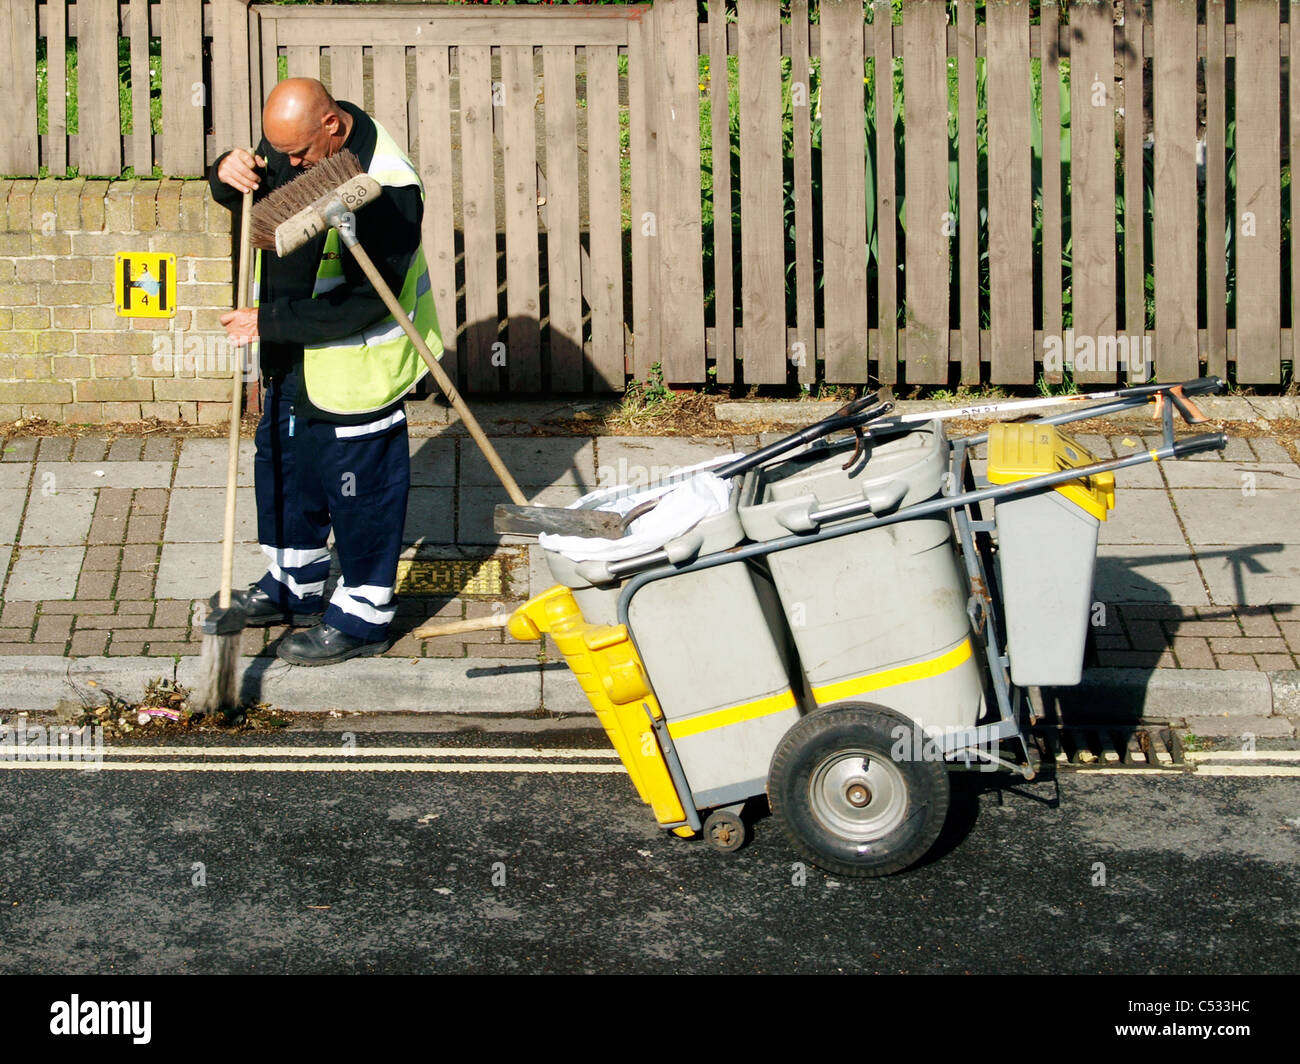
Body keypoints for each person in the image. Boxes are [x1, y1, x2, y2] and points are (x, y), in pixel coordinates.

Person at [208, 77, 441, 666]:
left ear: (331, 127)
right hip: (292, 351)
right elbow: (257, 196)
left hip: (356, 362)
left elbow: (371, 299)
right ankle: (295, 582)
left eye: (297, 154)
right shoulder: (300, 139)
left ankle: (363, 614)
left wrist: (270, 323)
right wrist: (223, 171)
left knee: (358, 488)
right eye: (276, 148)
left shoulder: (390, 187)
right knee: (287, 465)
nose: (285, 162)